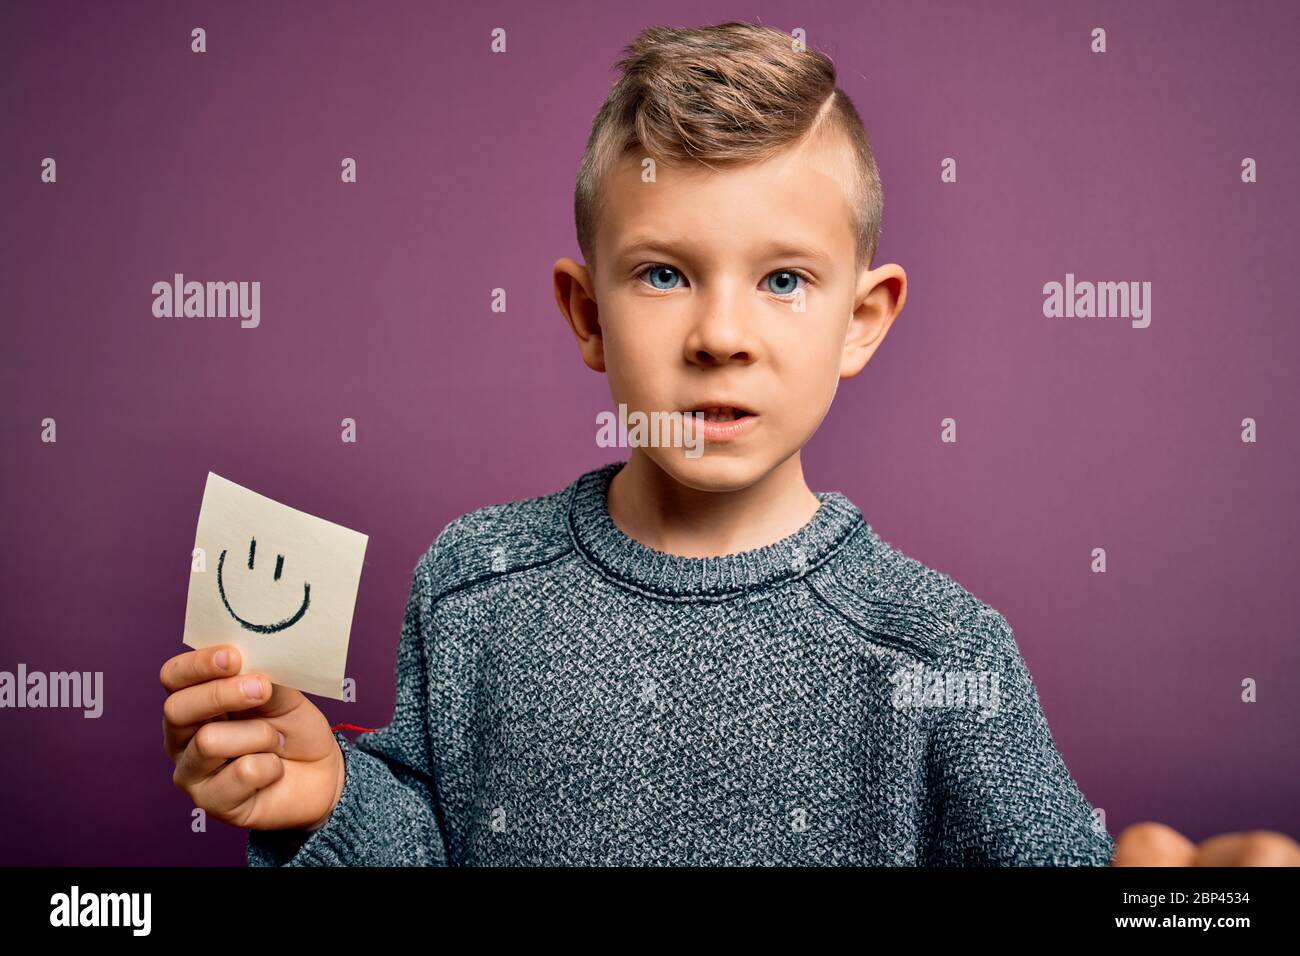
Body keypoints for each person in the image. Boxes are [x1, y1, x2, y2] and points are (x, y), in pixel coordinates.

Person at [162, 21, 1298, 866]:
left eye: (785, 279)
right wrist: (329, 796)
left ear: (863, 318)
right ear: (586, 313)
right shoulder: (474, 585)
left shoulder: (945, 651)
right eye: (663, 273)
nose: (719, 335)